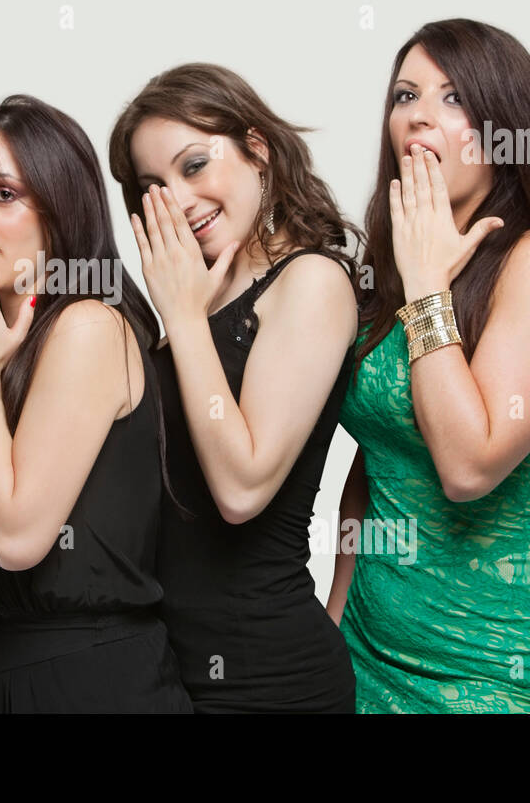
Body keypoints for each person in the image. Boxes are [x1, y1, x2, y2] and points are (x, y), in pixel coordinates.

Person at [326, 18, 530, 713]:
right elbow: (382, 452)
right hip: (366, 648)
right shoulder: (391, 269)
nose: (419, 115)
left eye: (453, 99)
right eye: (405, 96)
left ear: (504, 128)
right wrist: (332, 622)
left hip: (496, 669)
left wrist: (426, 289)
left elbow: (466, 466)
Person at [0, 95, 192, 713]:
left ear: (59, 209)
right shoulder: (22, 348)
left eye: (3, 193)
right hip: (21, 674)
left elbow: (17, 539)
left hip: (93, 686)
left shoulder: (88, 326)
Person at [109, 62, 361, 712]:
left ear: (258, 151)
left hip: (269, 679)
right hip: (167, 673)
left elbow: (242, 488)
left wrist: (183, 318)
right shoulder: (192, 300)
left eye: (194, 166)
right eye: (153, 186)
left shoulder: (310, 283)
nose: (180, 199)